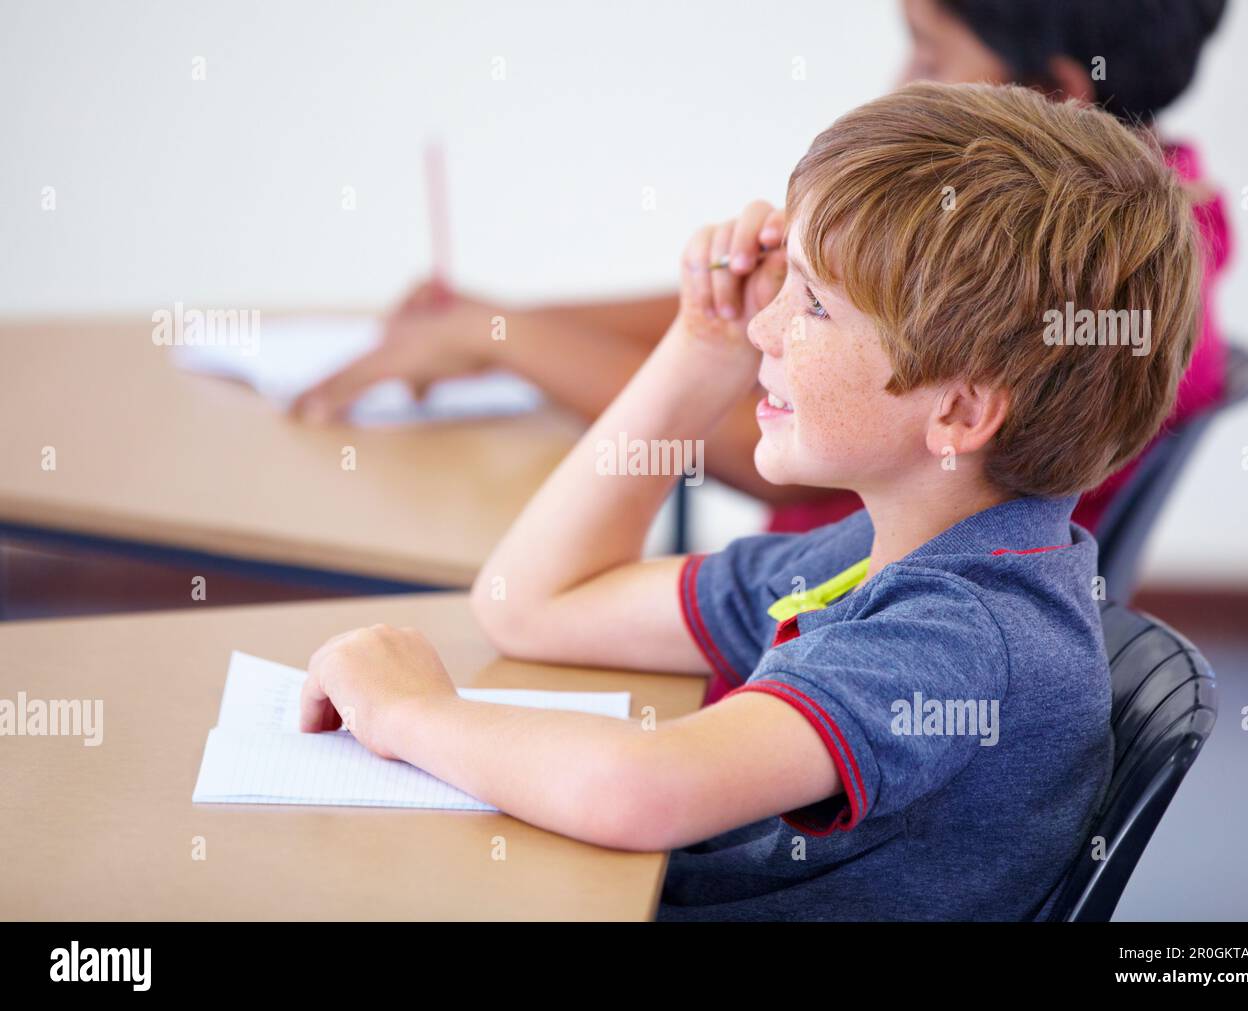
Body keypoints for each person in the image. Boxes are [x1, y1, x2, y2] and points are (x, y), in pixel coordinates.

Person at [297, 82, 1202, 920]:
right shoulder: (891, 552)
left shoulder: (964, 635)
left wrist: (412, 715)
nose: (765, 324)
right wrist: (701, 346)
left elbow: (640, 789)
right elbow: (531, 606)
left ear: (959, 411)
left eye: (810, 306)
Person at [291, 0, 1229, 538]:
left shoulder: (1076, 276)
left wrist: (501, 339)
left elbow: (775, 448)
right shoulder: (1136, 219)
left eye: (931, 51)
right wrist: (499, 322)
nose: (903, 79)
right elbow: (748, 294)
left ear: (1057, 91)